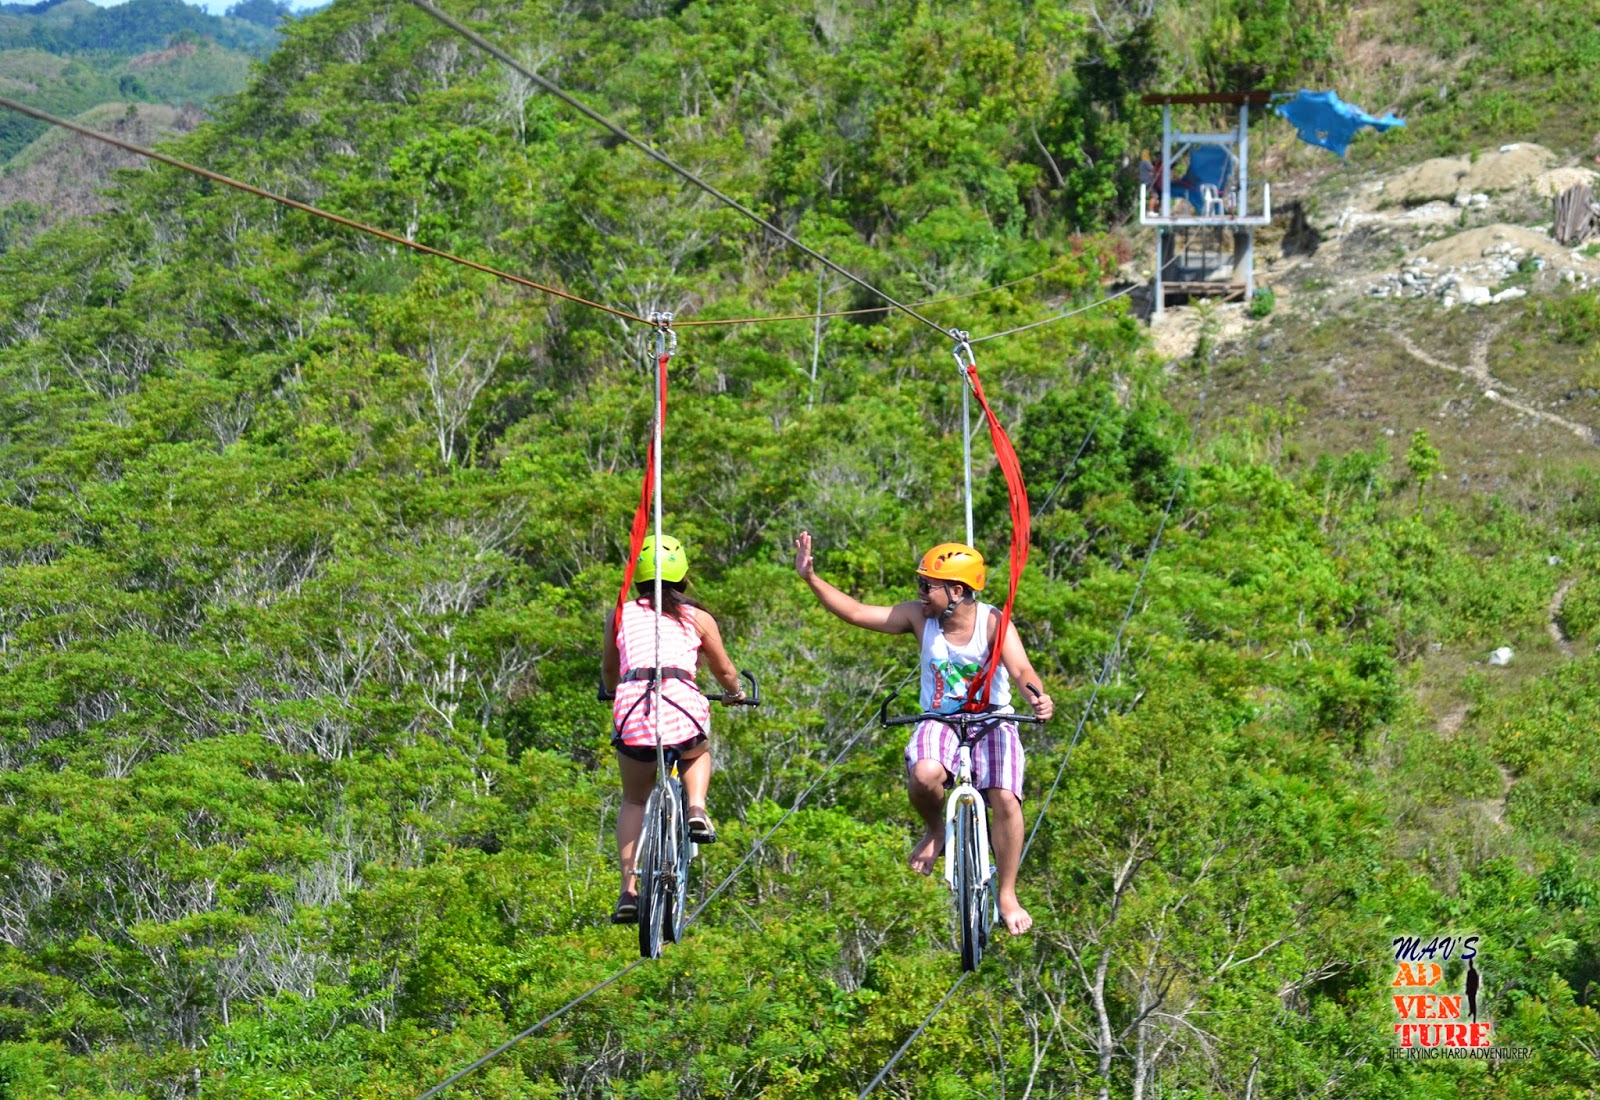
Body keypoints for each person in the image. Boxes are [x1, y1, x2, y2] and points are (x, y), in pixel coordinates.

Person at [794, 532, 1054, 935]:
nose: (920, 593)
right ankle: (936, 830)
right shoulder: (920, 618)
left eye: (926, 586)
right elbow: (858, 612)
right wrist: (811, 579)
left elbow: (1021, 670)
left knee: (1005, 796)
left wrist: (1037, 697)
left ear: (956, 590)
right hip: (940, 719)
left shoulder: (993, 623)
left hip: (992, 719)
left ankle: (1007, 894)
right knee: (923, 774)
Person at [602, 535, 744, 924]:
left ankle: (629, 891)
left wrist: (613, 690)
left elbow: (610, 670)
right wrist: (735, 693)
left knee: (634, 799)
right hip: (681, 706)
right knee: (697, 750)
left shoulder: (619, 614)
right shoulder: (697, 617)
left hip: (634, 713)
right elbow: (724, 670)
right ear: (682, 575)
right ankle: (696, 807)